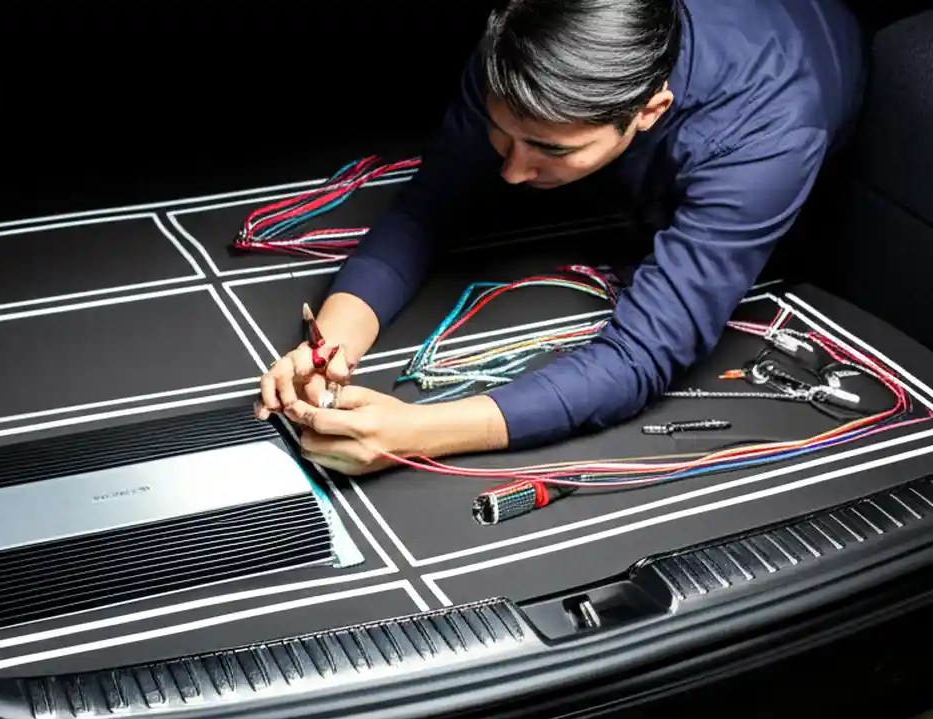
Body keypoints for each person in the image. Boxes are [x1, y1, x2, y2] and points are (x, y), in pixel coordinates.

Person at [253, 0, 867, 476]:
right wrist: (330, 343)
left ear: (650, 112)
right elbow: (429, 207)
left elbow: (639, 356)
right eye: (502, 133)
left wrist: (417, 433)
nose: (512, 174)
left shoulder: (770, 136)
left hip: (792, 73)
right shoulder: (524, 46)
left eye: (549, 149)